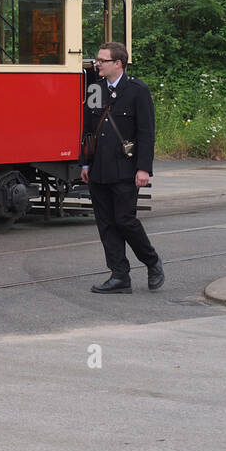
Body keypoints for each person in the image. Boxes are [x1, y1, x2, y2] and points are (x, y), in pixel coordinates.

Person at [81, 41, 163, 294]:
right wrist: (84, 162)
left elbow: (146, 133)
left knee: (125, 220)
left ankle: (151, 261)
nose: (97, 64)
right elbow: (87, 130)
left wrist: (144, 169)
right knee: (105, 223)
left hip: (126, 168)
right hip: (99, 168)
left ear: (118, 63)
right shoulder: (95, 89)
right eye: (97, 59)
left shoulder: (137, 90)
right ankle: (119, 275)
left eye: (102, 60)